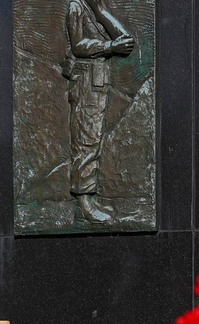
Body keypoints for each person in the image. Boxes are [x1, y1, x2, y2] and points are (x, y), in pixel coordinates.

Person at [63, 0, 135, 224]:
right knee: (85, 140)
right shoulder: (76, 7)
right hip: (85, 80)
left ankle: (88, 197)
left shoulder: (95, 9)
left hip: (98, 80)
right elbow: (77, 45)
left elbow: (127, 40)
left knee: (93, 140)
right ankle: (83, 204)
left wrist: (101, 10)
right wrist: (110, 47)